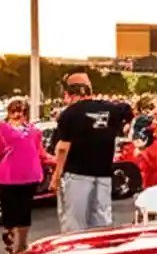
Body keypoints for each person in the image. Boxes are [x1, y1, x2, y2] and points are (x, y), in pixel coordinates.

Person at [49, 72, 133, 232]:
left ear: (69, 94)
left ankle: (76, 248)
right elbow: (127, 111)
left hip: (77, 175)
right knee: (102, 221)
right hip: (104, 174)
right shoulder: (111, 109)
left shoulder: (70, 113)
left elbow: (63, 147)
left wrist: (57, 175)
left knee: (74, 222)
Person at [0, 97, 49, 254]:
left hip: (28, 176)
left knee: (24, 210)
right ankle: (12, 239)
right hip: (8, 176)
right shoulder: (3, 129)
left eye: (22, 112)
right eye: (14, 111)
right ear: (8, 113)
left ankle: (20, 244)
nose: (18, 115)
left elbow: (39, 152)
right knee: (10, 211)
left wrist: (53, 162)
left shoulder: (34, 131)